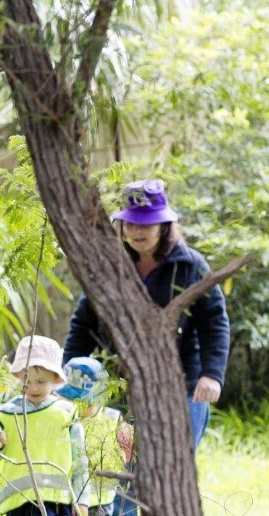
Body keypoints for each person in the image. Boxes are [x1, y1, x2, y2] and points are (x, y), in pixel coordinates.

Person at [62, 179, 229, 449]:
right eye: (131, 224)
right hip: (130, 385)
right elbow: (84, 324)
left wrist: (212, 374)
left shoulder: (190, 266)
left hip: (183, 382)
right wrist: (67, 370)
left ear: (164, 226)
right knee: (135, 468)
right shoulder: (110, 268)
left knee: (174, 462)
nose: (138, 231)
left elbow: (214, 323)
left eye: (147, 224)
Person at [0, 335, 85, 516]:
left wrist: (82, 499)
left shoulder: (66, 413)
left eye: (41, 381)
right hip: (25, 502)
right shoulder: (6, 414)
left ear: (55, 378)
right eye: (26, 381)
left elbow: (80, 458)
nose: (33, 387)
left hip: (59, 499)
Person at [57, 356, 134, 516]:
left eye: (85, 402)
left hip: (99, 499)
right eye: (72, 401)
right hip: (68, 495)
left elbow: (126, 452)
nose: (78, 408)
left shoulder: (112, 418)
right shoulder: (64, 418)